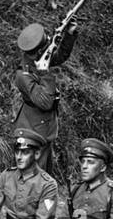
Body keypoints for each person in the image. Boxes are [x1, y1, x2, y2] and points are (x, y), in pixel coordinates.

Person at [13, 21, 78, 172]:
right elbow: (45, 103)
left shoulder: (39, 60)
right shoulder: (23, 75)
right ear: (37, 52)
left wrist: (69, 34)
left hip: (45, 128)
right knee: (34, 177)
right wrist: (45, 74)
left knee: (45, 174)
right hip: (33, 131)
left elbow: (60, 56)